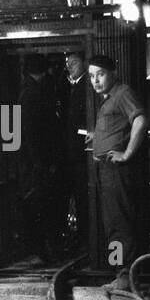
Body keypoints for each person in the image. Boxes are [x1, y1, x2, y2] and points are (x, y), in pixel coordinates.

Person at [86, 53, 149, 284]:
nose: (95, 80)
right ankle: (118, 273)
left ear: (114, 73)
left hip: (118, 170)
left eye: (100, 74)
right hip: (106, 170)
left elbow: (140, 121)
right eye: (92, 76)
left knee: (119, 221)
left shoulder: (123, 93)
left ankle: (125, 275)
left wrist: (127, 153)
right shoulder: (109, 98)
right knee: (112, 222)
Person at [18, 52, 63, 260]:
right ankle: (42, 249)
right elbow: (32, 132)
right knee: (42, 204)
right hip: (37, 162)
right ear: (42, 72)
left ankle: (41, 248)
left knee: (39, 204)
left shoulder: (29, 92)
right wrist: (40, 162)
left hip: (35, 161)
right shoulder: (32, 94)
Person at [62, 50, 92, 245]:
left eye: (73, 63)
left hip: (82, 152)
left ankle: (86, 239)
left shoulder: (84, 86)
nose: (69, 67)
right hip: (76, 152)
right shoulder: (76, 86)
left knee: (83, 196)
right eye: (68, 64)